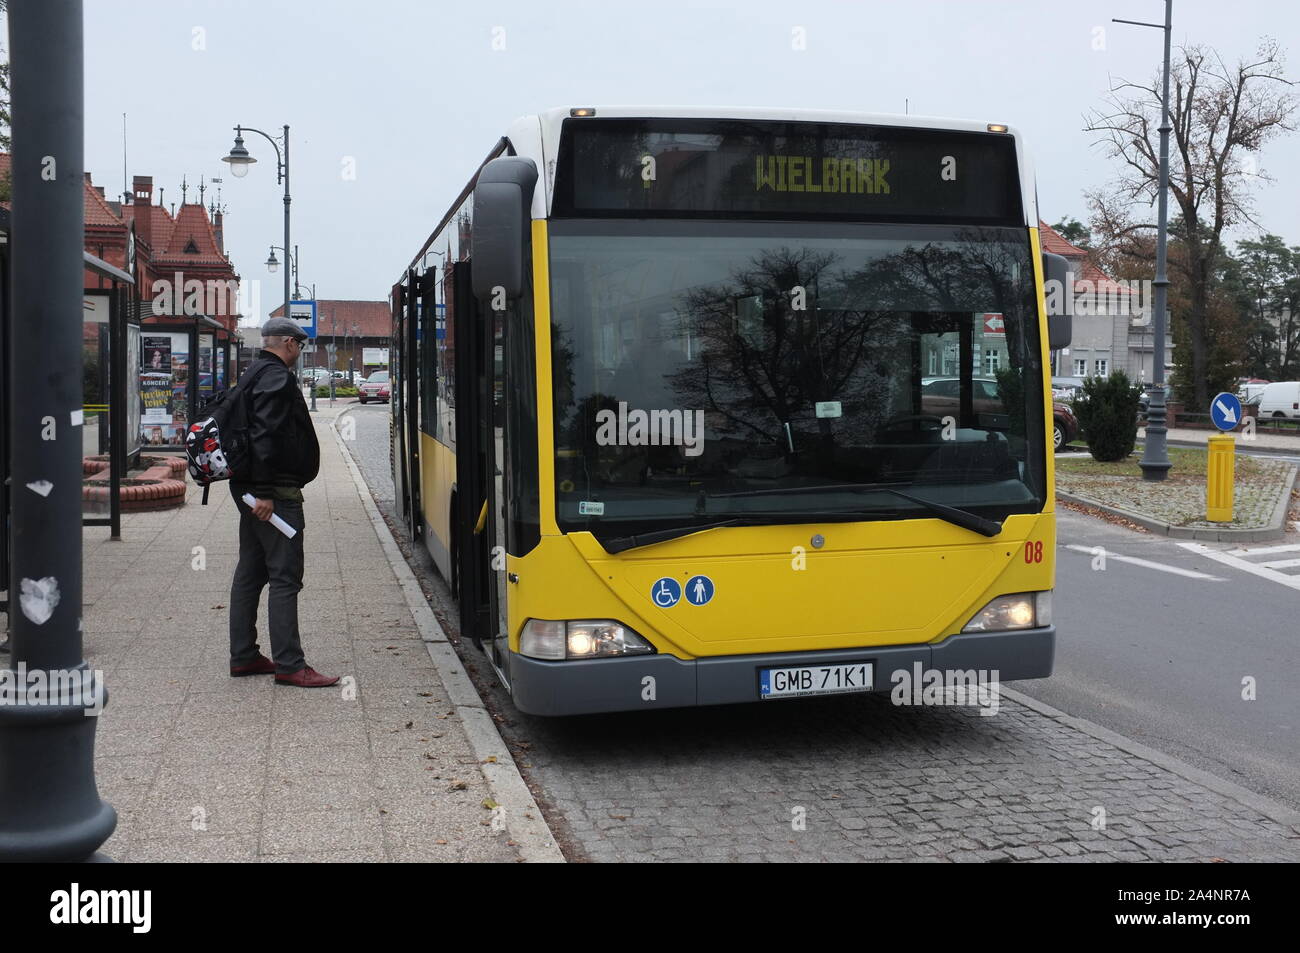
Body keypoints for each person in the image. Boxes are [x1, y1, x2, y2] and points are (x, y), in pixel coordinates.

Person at [227, 318, 338, 687]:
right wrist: (266, 493)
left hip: (251, 490)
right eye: (300, 347)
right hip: (275, 493)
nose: (299, 354)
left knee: (250, 573)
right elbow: (266, 434)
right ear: (290, 343)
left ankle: (243, 655)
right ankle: (291, 664)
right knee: (285, 576)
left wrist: (256, 491)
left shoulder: (253, 372)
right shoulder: (276, 377)